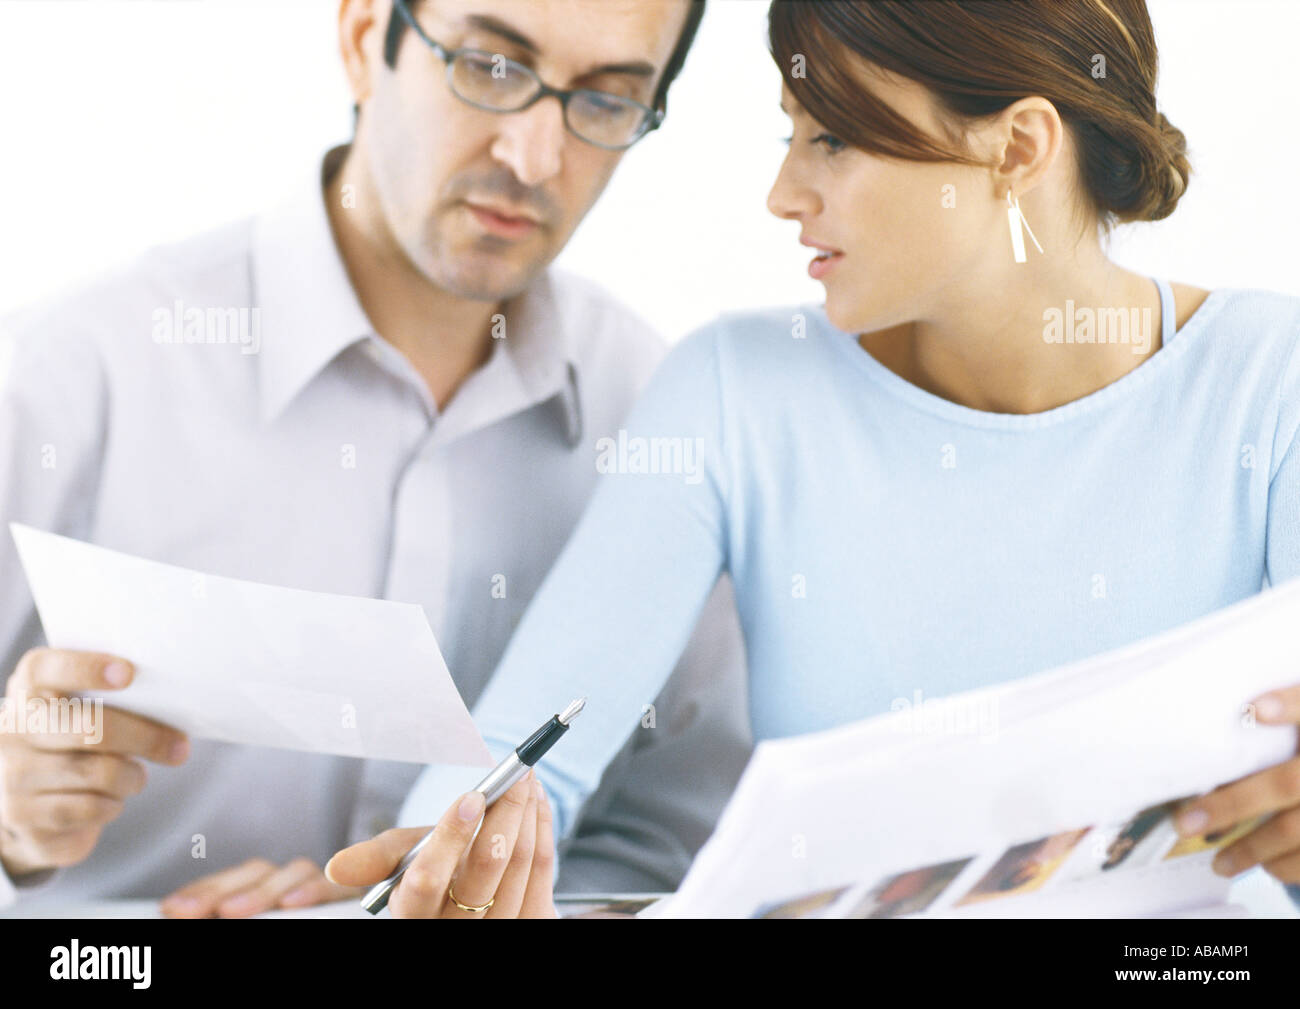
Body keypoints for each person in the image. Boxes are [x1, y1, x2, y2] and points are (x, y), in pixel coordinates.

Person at [330, 0, 1300, 917]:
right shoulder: (735, 390)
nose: (782, 193)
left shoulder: (1270, 381)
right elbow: (528, 750)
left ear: (1015, 148)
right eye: (790, 133)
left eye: (830, 138)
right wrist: (444, 862)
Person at [0, 0, 755, 917]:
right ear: (365, 41)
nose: (532, 158)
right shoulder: (70, 373)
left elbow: (672, 840)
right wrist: (12, 824)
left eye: (605, 100)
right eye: (490, 66)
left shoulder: (658, 422)